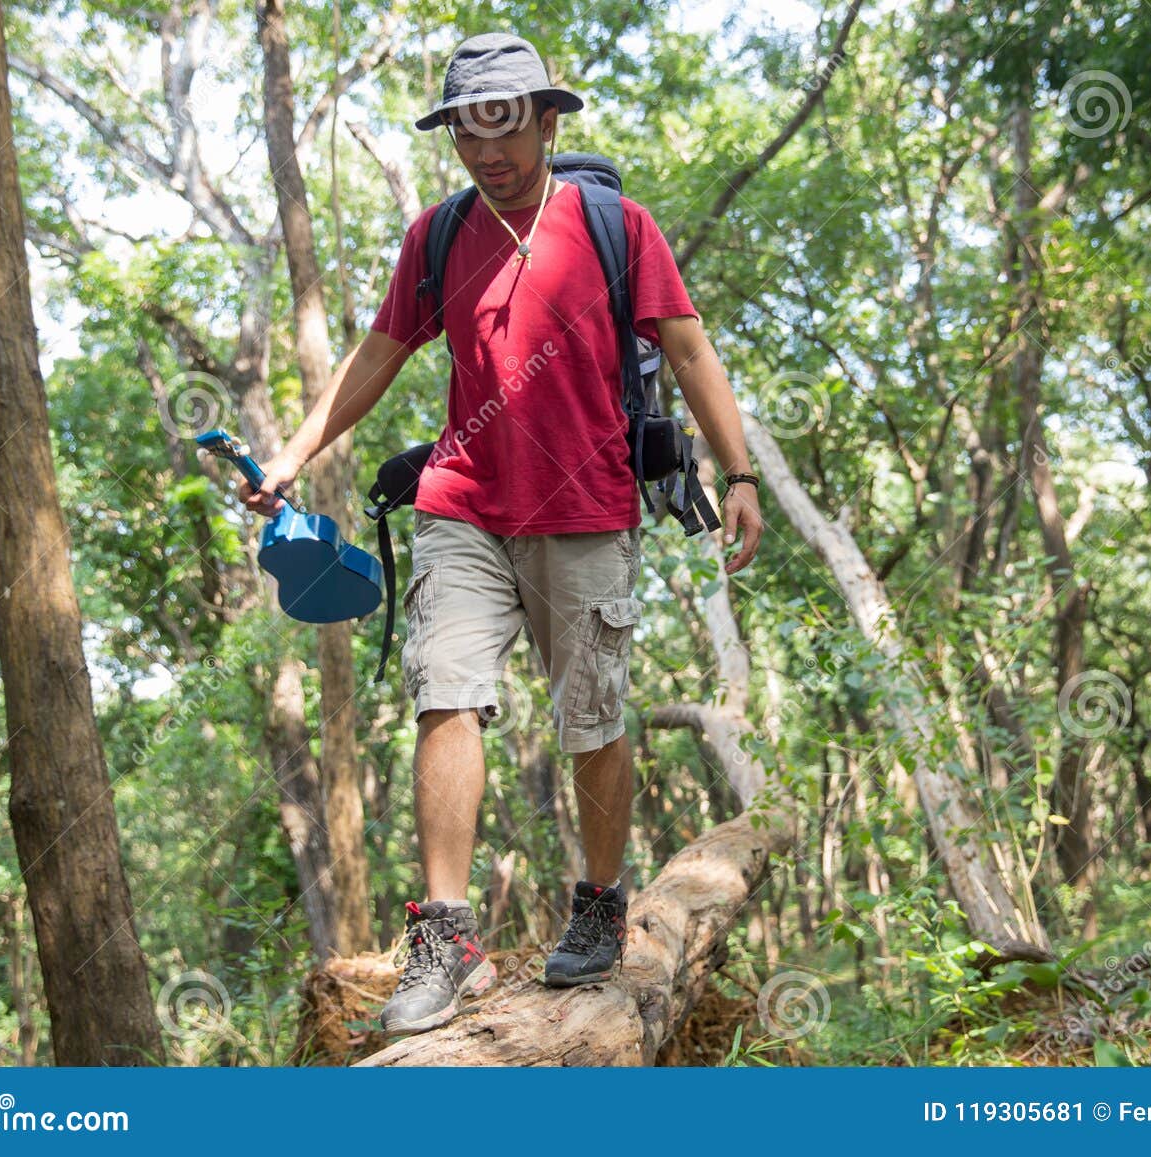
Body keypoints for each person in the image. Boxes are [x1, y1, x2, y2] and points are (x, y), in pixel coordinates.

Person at [240, 31, 763, 1037]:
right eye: (469, 136)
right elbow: (380, 350)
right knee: (446, 693)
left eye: (507, 130)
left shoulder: (615, 226)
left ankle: (601, 900)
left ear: (547, 119)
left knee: (592, 716)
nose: (490, 155)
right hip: (464, 503)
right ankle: (444, 938)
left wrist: (736, 472)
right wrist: (295, 453)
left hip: (588, 510)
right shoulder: (439, 237)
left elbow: (688, 346)